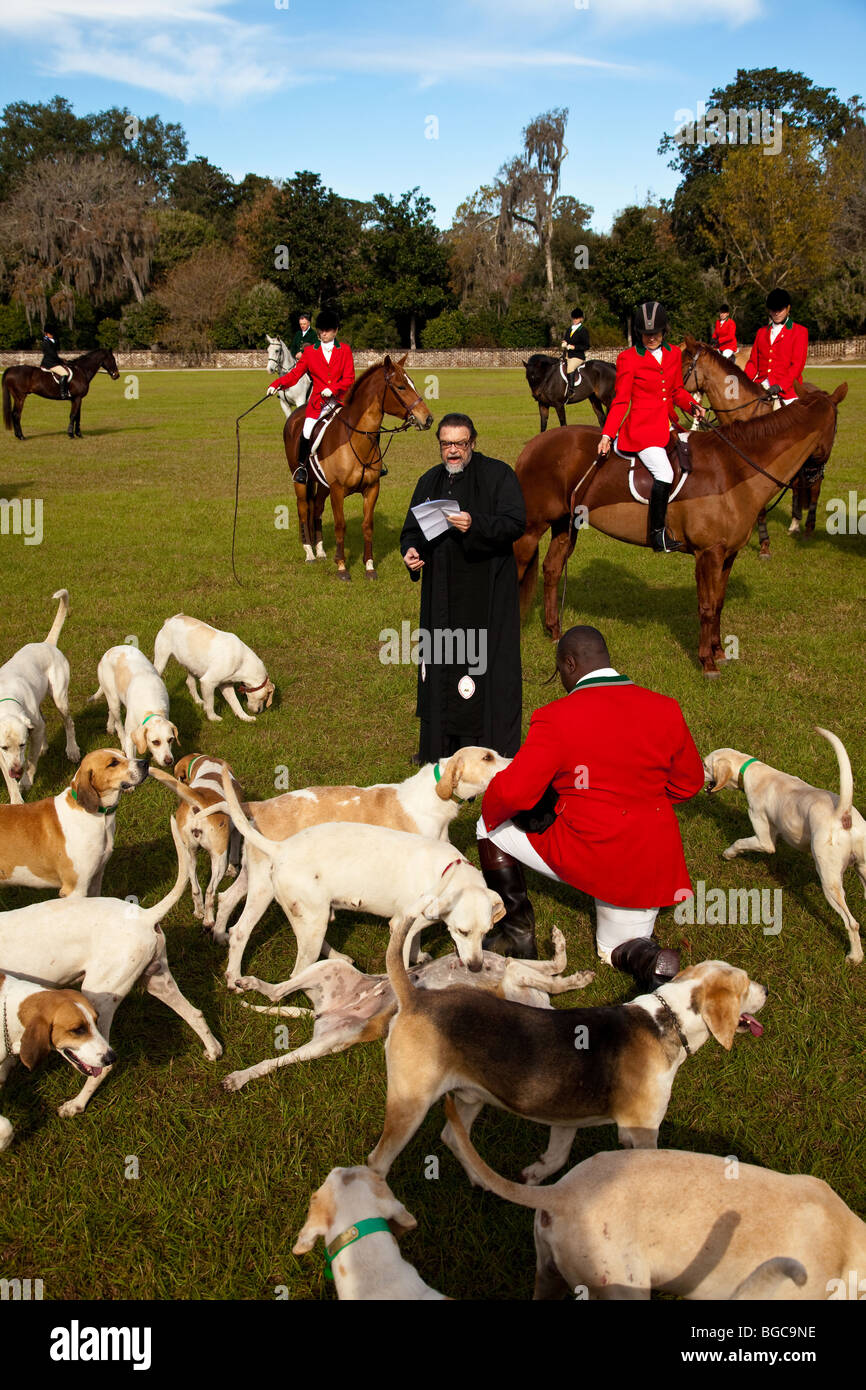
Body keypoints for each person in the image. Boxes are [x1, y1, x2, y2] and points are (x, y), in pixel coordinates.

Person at [477, 625, 705, 974]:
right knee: (618, 951)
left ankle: (515, 935)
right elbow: (689, 783)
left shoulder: (555, 716)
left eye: (559, 673)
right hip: (654, 859)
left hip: (591, 850)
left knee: (488, 826)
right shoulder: (666, 707)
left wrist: (490, 803)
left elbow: (512, 793)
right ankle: (648, 958)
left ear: (569, 664)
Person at [400, 412, 525, 768]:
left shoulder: (498, 475)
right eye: (446, 444)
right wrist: (411, 552)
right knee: (441, 665)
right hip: (440, 597)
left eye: (459, 443)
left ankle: (485, 752)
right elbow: (412, 530)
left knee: (480, 669)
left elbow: (516, 522)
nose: (452, 451)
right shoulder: (429, 481)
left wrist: (476, 523)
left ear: (473, 442)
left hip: (485, 596)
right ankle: (439, 748)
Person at [599, 300, 705, 554]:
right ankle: (657, 534)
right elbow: (622, 399)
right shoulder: (628, 358)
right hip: (642, 430)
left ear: (664, 331)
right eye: (646, 334)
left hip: (668, 425)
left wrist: (692, 406)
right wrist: (606, 434)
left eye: (655, 333)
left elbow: (677, 390)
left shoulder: (672, 354)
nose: (651, 338)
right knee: (665, 474)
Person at [267, 308, 355, 484]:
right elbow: (294, 374)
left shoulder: (344, 350)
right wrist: (276, 384)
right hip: (318, 404)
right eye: (321, 330)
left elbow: (350, 378)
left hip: (341, 400)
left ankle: (375, 463)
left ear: (336, 330)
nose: (324, 333)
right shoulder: (310, 352)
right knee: (306, 431)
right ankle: (302, 468)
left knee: (367, 424)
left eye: (328, 330)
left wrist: (334, 388)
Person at [744, 288, 809, 405]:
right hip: (762, 385)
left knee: (792, 420)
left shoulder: (800, 332)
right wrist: (743, 381)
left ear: (788, 308)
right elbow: (753, 363)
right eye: (773, 309)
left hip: (787, 390)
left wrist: (780, 385)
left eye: (780, 309)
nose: (777, 313)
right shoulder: (761, 332)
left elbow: (797, 366)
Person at [561, 307, 590, 395]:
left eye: (576, 318)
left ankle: (571, 389)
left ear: (581, 319)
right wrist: (564, 343)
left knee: (570, 367)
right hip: (567, 355)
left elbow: (586, 346)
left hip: (578, 356)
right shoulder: (569, 329)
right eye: (573, 318)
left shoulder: (583, 330)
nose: (575, 320)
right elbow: (566, 339)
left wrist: (574, 347)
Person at [40, 327, 72, 400]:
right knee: (64, 373)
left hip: (53, 361)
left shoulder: (52, 340)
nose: (52, 335)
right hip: (50, 363)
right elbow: (52, 354)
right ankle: (63, 393)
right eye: (51, 334)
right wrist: (61, 360)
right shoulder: (45, 342)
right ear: (47, 334)